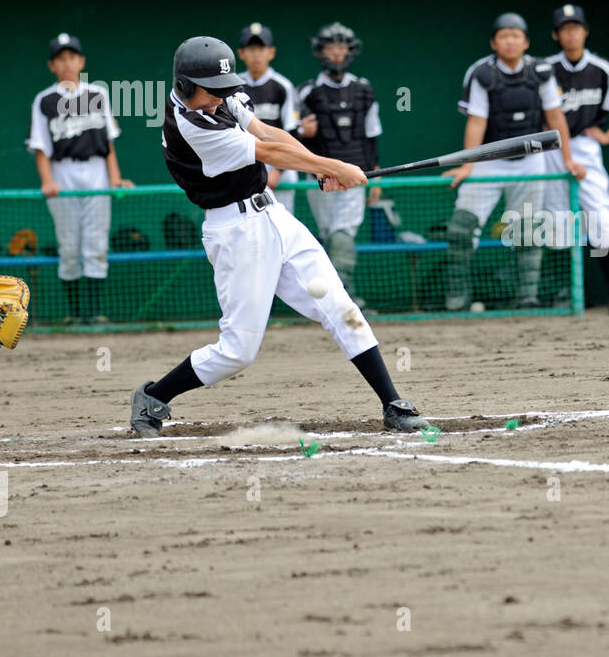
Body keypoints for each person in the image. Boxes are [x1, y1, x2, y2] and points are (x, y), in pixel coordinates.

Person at [129, 36, 428, 437]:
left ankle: (392, 403)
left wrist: (321, 168)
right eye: (211, 92)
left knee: (340, 307)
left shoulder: (219, 96)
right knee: (237, 352)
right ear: (184, 86)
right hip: (235, 231)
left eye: (223, 90)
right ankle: (153, 396)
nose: (220, 98)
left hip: (272, 213)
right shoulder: (192, 124)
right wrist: (336, 165)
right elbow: (268, 154)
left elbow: (270, 134)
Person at [442, 12, 585, 311]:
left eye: (515, 35)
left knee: (528, 229)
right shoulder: (482, 72)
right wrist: (468, 164)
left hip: (530, 160)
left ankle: (527, 296)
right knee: (461, 228)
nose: (509, 41)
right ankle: (457, 298)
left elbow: (555, 117)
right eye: (503, 36)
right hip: (489, 159)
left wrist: (567, 159)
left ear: (526, 42)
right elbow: (477, 121)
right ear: (494, 42)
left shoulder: (540, 71)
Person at [26, 33, 133, 323]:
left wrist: (116, 179)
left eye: (72, 57)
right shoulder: (44, 100)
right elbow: (40, 147)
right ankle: (74, 314)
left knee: (97, 242)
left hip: (96, 169)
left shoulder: (98, 94)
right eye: (60, 58)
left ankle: (95, 313)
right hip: (63, 171)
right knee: (69, 243)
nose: (67, 63)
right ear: (52, 65)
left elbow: (108, 143)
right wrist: (47, 181)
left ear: (81, 61)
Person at [543, 4, 609, 315]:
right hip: (550, 149)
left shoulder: (600, 68)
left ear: (585, 31)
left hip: (584, 145)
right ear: (556, 35)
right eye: (565, 28)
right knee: (557, 220)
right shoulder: (545, 68)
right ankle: (566, 293)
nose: (571, 33)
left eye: (576, 27)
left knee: (600, 216)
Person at [296, 22, 382, 303]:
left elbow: (371, 135)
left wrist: (376, 175)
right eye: (330, 47)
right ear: (320, 51)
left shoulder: (364, 89)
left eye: (342, 47)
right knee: (328, 233)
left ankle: (343, 295)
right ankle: (329, 296)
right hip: (319, 175)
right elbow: (292, 137)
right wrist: (301, 130)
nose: (336, 53)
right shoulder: (306, 91)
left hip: (355, 174)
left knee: (343, 231)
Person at [236, 22, 299, 213]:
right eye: (251, 48)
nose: (256, 54)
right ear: (241, 53)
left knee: (283, 227)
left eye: (261, 48)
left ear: (271, 52)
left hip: (280, 171)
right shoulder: (233, 87)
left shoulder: (283, 86)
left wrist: (278, 171)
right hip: (245, 169)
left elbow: (293, 131)